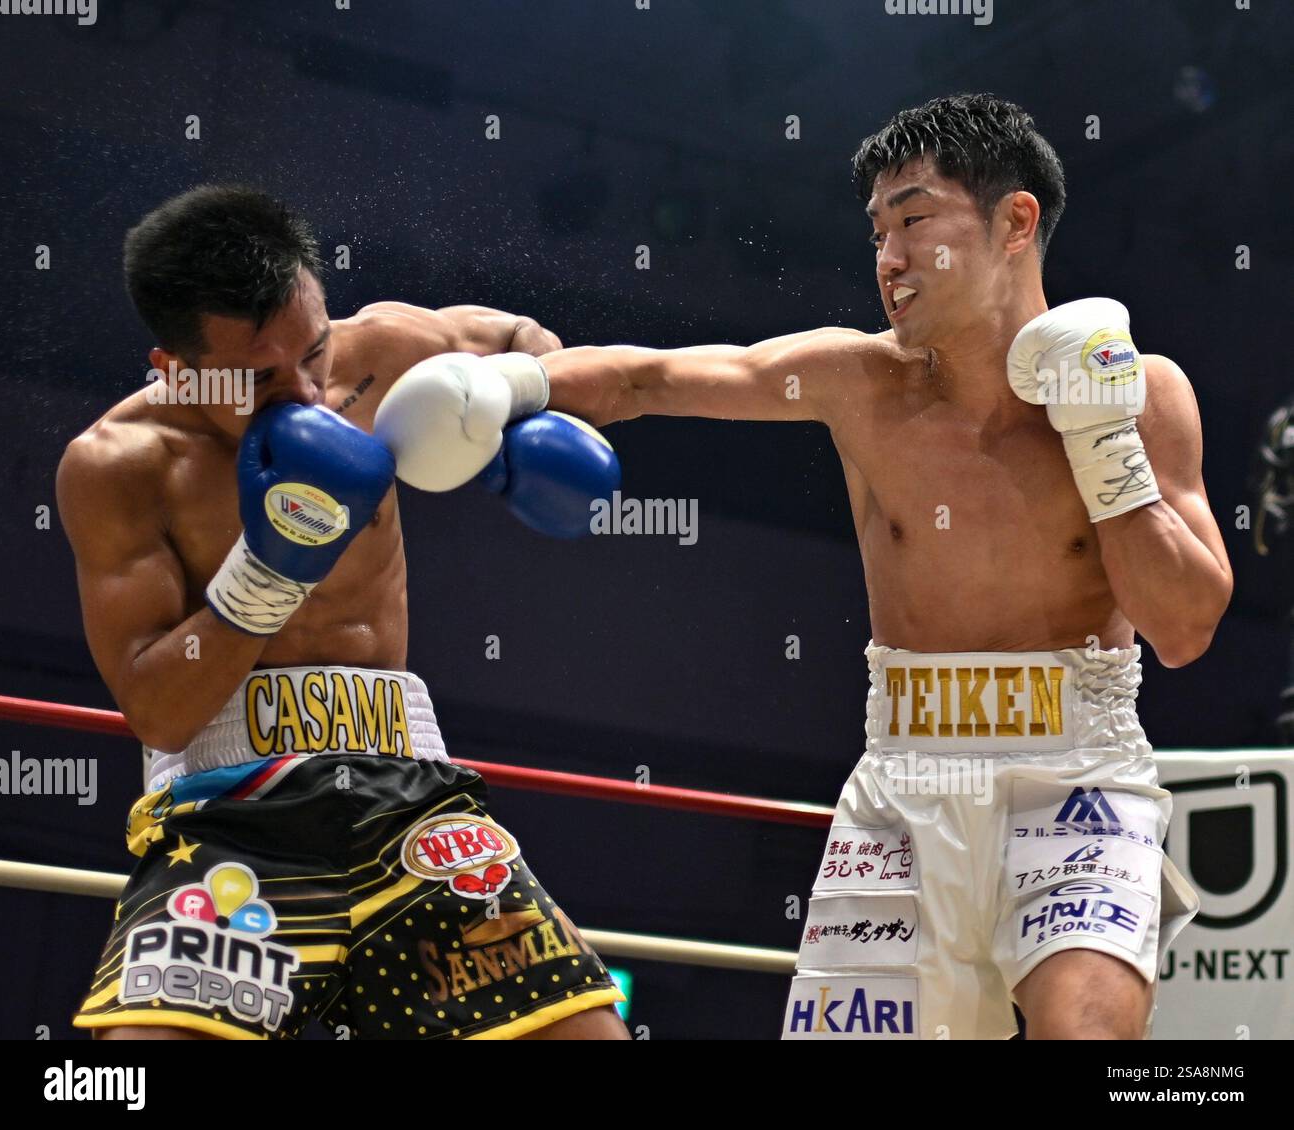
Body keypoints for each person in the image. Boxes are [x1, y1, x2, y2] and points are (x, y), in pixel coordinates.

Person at [455, 93, 1231, 1039]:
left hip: (1080, 774)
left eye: (913, 219)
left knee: (1089, 1035)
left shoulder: (1143, 391)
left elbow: (1186, 629)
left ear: (1015, 221)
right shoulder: (857, 381)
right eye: (876, 234)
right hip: (905, 781)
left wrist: (1104, 445)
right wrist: (491, 386)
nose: (889, 261)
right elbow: (646, 378)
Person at [61, 183, 627, 1040]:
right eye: (258, 378)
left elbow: (527, 341)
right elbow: (158, 708)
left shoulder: (386, 348)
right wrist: (275, 564)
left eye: (313, 353)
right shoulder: (119, 466)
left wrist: (505, 408)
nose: (303, 393)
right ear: (174, 369)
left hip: (407, 793)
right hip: (226, 814)